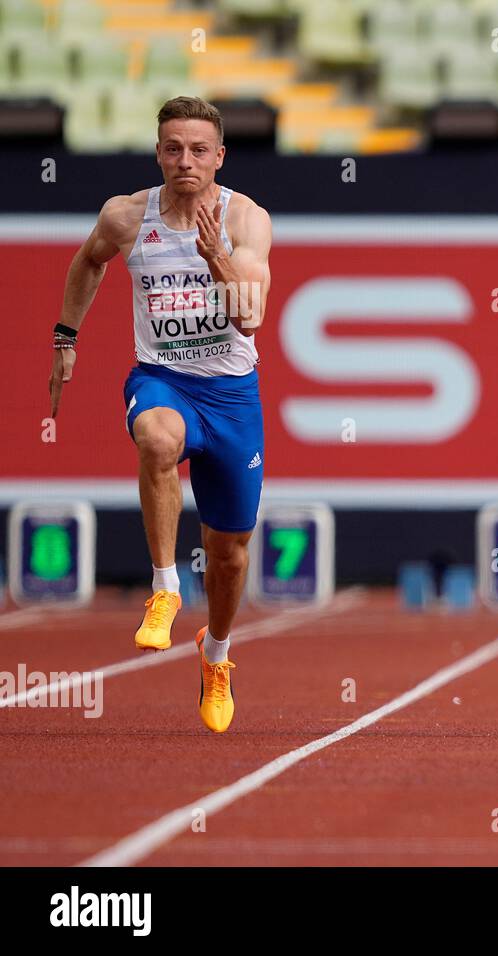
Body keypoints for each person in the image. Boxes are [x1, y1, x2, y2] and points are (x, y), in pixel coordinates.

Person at [50, 96, 272, 732]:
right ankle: (166, 588)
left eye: (199, 150)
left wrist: (216, 259)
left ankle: (218, 653)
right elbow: (89, 260)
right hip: (162, 378)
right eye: (173, 148)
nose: (185, 160)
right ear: (158, 153)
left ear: (219, 157)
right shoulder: (126, 216)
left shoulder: (247, 220)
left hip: (230, 394)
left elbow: (249, 317)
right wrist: (66, 339)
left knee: (229, 555)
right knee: (155, 437)